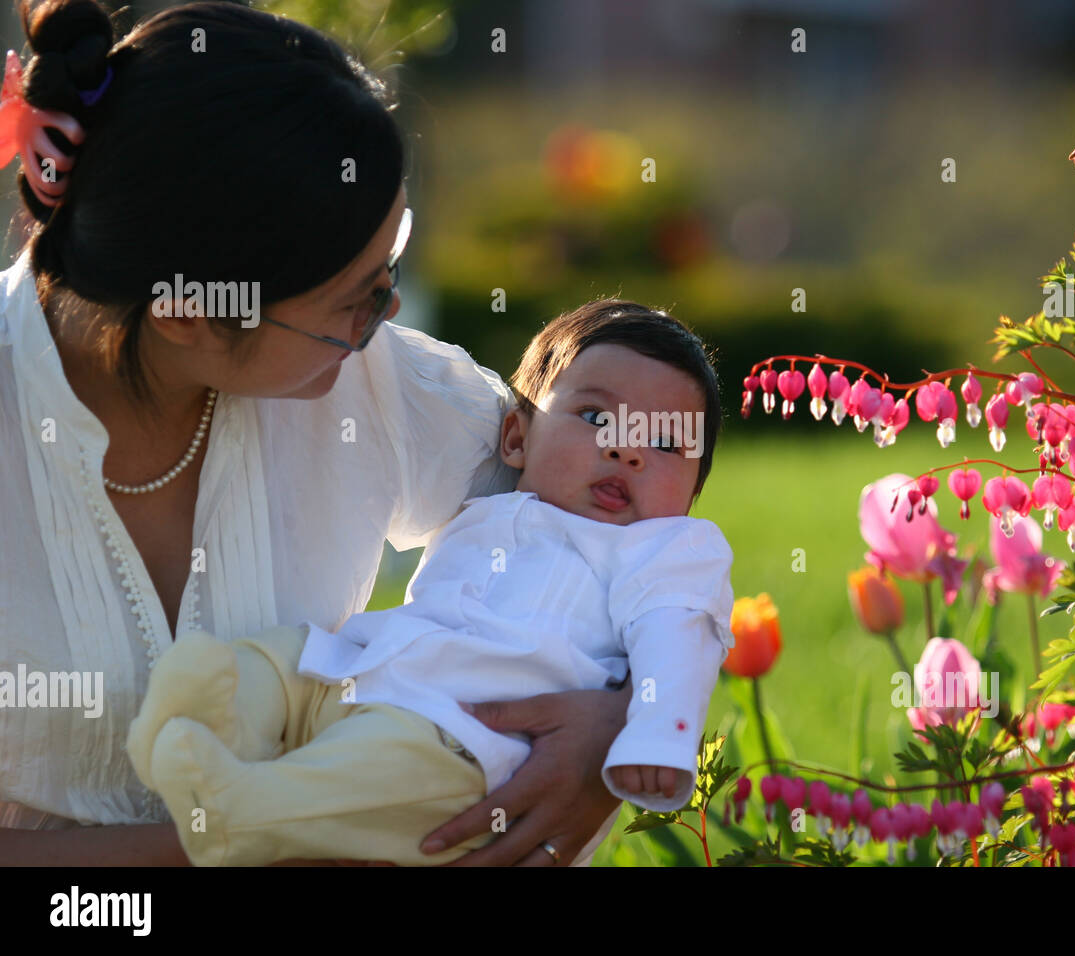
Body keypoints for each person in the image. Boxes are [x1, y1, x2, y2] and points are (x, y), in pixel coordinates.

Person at [0, 0, 645, 867]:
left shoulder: (374, 384)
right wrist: (230, 848)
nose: (389, 315)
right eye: (356, 300)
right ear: (190, 312)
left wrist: (615, 720)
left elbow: (623, 537)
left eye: (391, 268)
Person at [125, 300, 733, 866]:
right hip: (368, 671)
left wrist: (653, 737)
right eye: (597, 416)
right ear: (518, 436)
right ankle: (212, 707)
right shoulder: (492, 497)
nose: (627, 450)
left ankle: (242, 814)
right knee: (287, 661)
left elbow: (680, 643)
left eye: (663, 442)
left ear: (692, 495)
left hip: (470, 746)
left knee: (373, 776)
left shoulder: (666, 551)